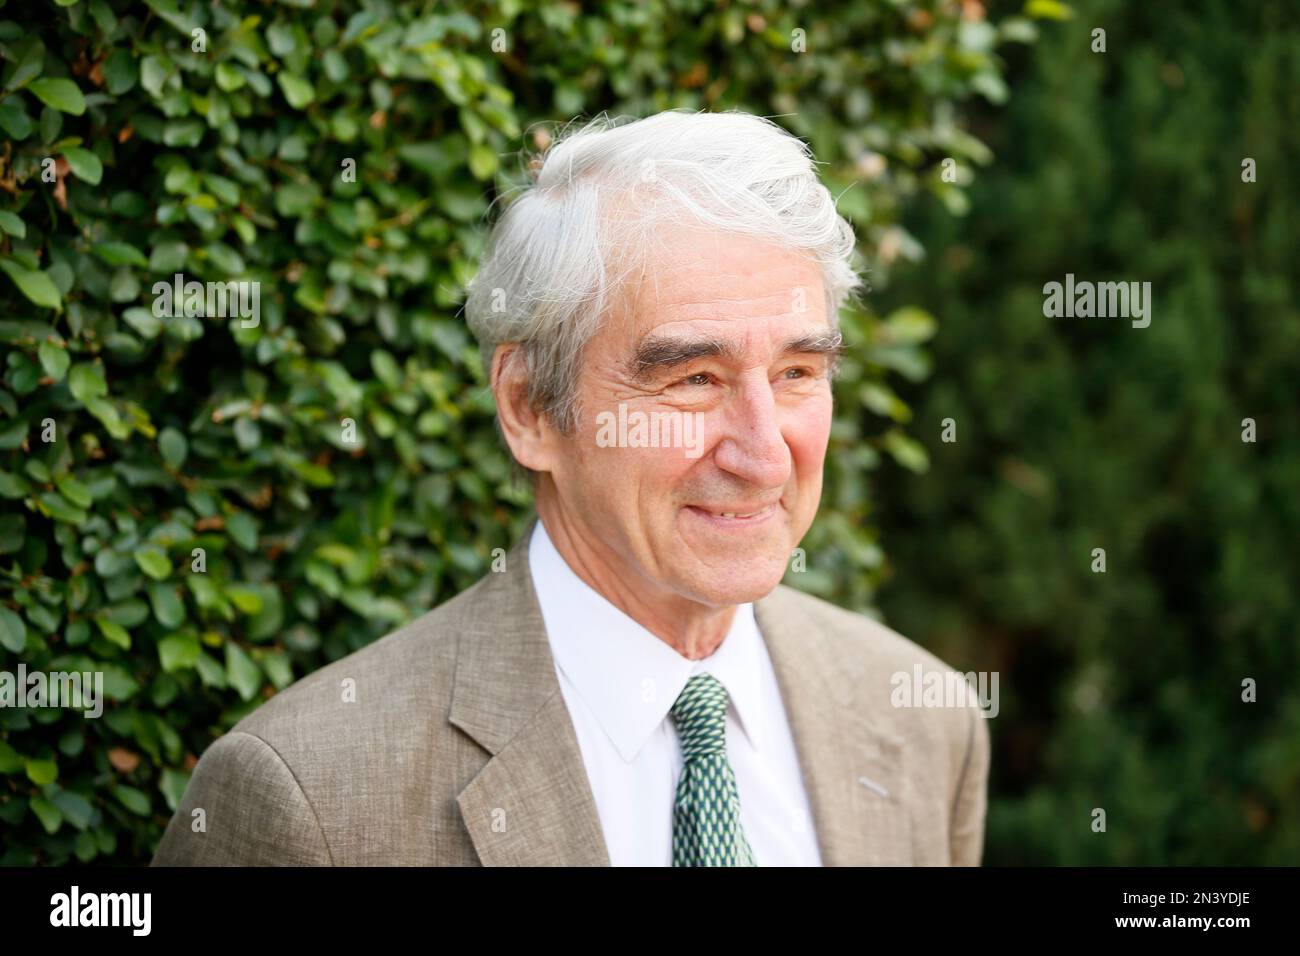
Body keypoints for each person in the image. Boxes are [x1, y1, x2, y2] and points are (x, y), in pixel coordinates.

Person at [152, 109, 989, 867]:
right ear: (529, 408)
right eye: (694, 379)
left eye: (798, 371)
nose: (765, 456)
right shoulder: (310, 799)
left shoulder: (922, 719)